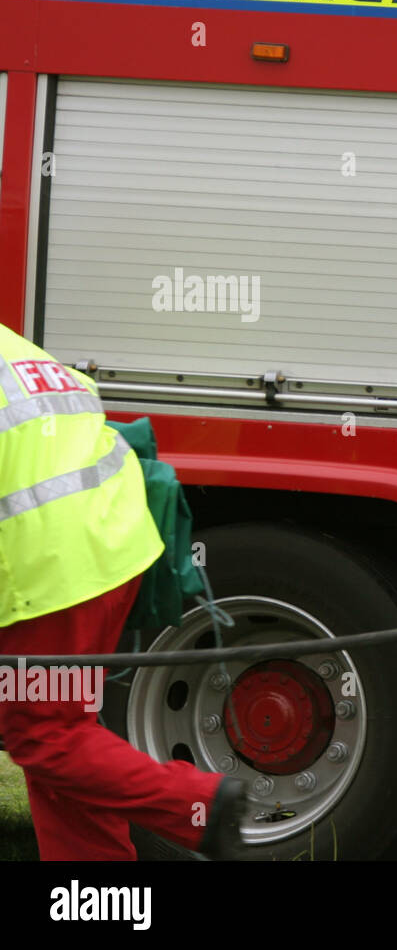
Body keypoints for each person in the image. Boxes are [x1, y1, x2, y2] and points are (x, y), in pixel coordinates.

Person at [0, 324, 246, 860]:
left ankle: (197, 803)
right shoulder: (14, 348)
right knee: (69, 741)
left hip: (52, 576)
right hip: (114, 551)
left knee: (47, 736)